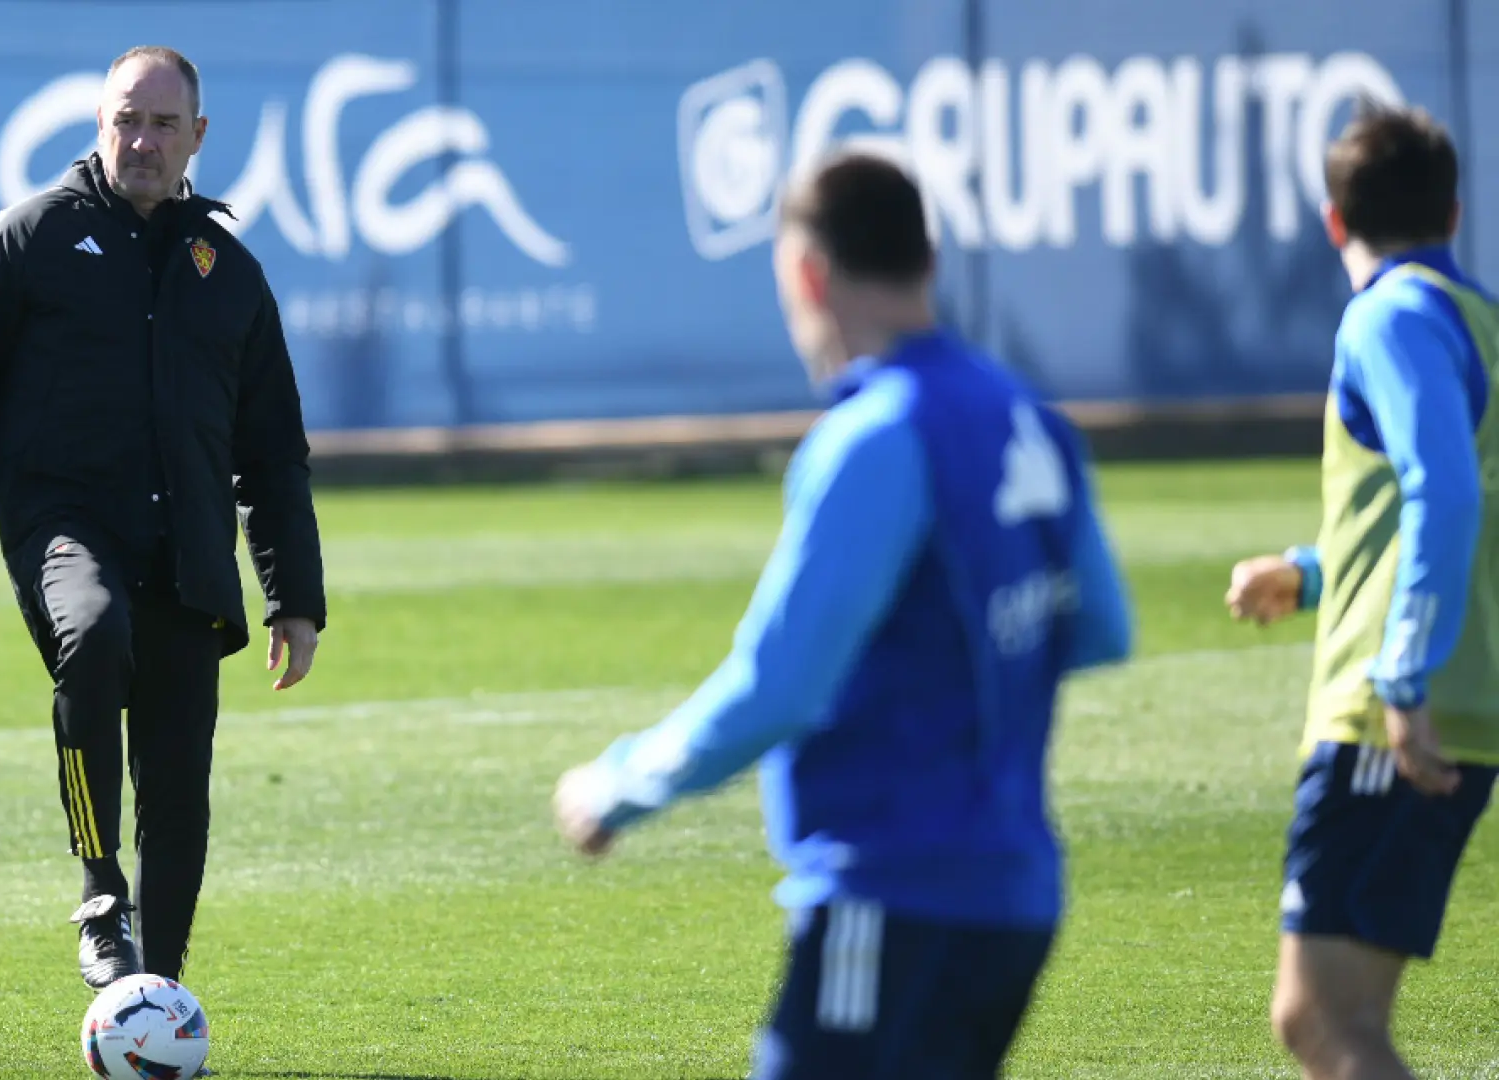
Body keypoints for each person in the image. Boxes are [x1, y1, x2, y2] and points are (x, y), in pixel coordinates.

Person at [551, 152, 1133, 1079]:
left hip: (892, 894)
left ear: (805, 273)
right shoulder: (1025, 414)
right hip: (1016, 898)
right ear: (927, 263)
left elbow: (778, 685)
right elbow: (1103, 626)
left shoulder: (875, 436)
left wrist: (619, 783)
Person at [0, 45, 326, 991]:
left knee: (179, 789)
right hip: (66, 527)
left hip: (189, 550)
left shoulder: (231, 273)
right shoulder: (34, 236)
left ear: (197, 137)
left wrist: (295, 598)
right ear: (100, 124)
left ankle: (158, 998)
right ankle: (99, 890)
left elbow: (273, 454)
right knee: (92, 636)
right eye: (127, 119)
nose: (143, 140)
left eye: (163, 124)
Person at [1225, 101, 1496, 1080]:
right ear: (1456, 212)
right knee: (1341, 1017)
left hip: (1391, 715)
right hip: (1459, 703)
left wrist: (1403, 677)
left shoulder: (1389, 315)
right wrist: (1307, 575)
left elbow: (1446, 490)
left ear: (1334, 221)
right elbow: (1443, 511)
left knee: (1322, 1019)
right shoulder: (1480, 323)